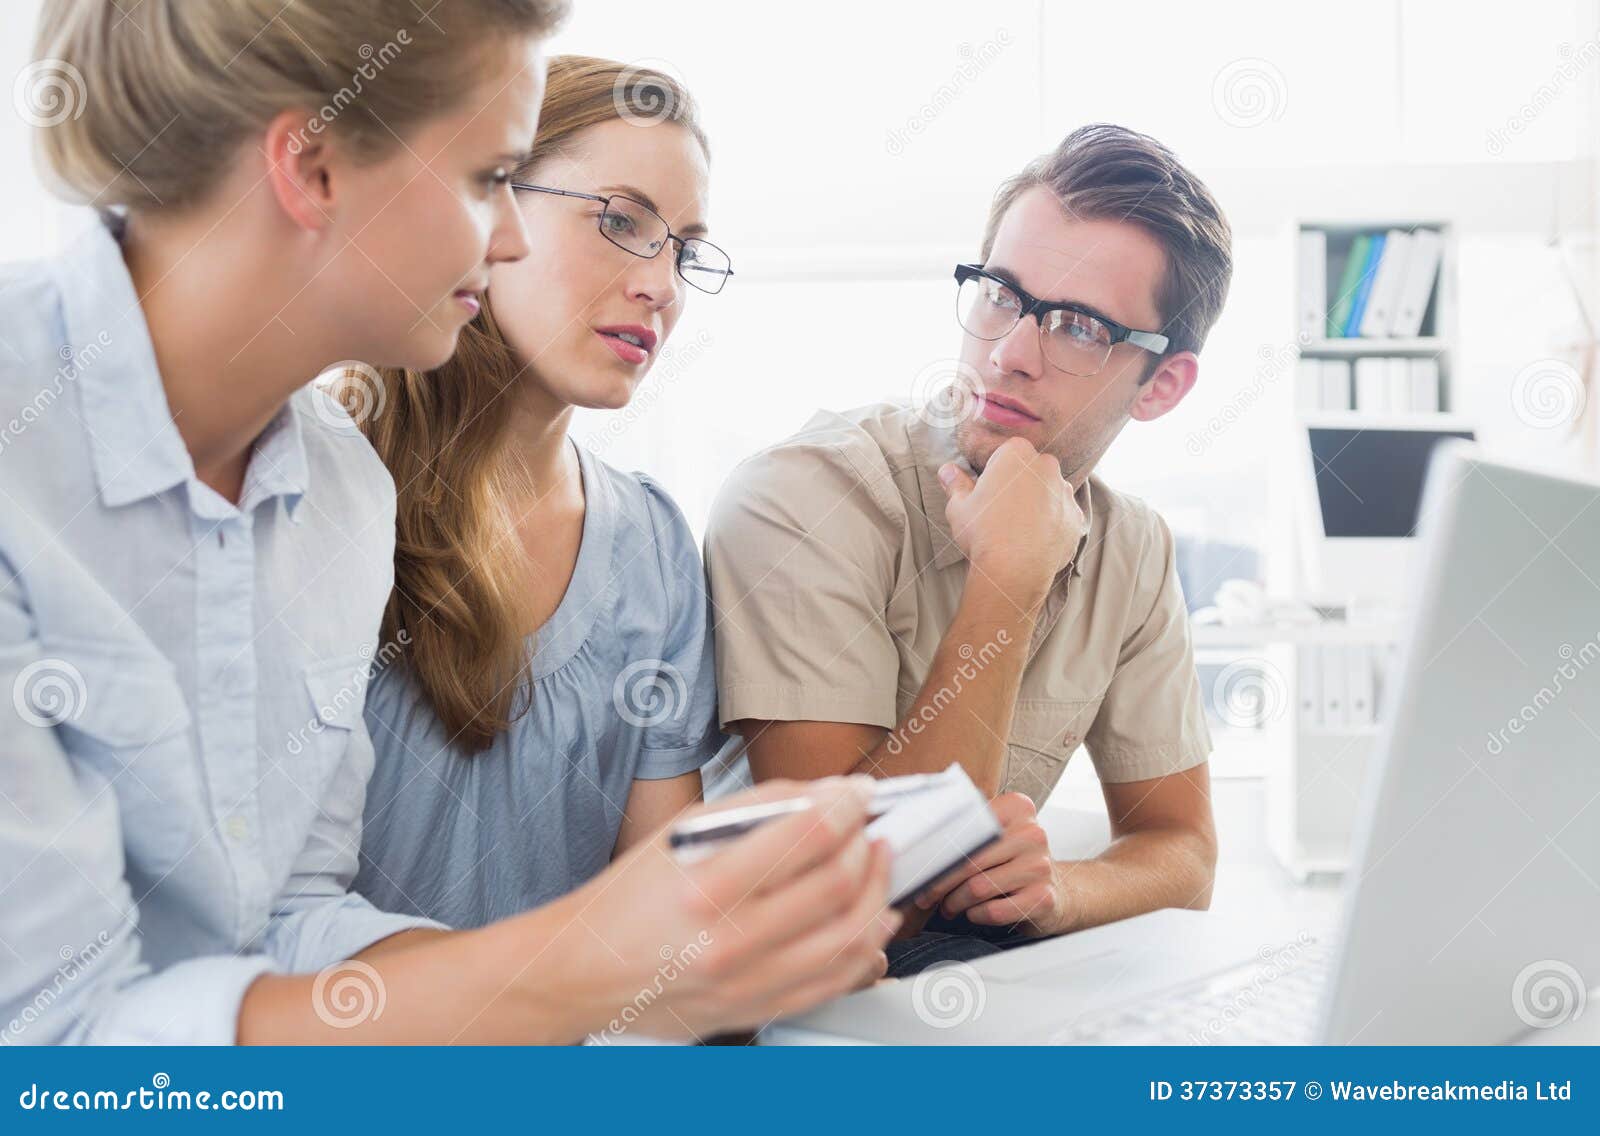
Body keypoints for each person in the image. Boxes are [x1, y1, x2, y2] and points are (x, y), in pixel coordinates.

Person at [0, 0, 894, 1046]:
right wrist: (584, 967)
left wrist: (665, 957)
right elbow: (49, 1058)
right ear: (314, 167)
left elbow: (285, 926)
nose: (505, 234)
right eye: (485, 180)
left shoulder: (333, 489)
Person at [703, 124, 1231, 976]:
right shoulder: (805, 495)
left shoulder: (1132, 546)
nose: (1010, 354)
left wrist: (1060, 890)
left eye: (1080, 327)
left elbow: (1183, 850)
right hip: (770, 1008)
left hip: (958, 984)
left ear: (1161, 385)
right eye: (1000, 294)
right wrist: (1009, 581)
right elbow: (845, 898)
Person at [352, 57, 731, 928]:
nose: (662, 287)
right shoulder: (319, 491)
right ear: (490, 204)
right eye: (623, 221)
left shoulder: (655, 549)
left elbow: (657, 922)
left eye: (686, 249)